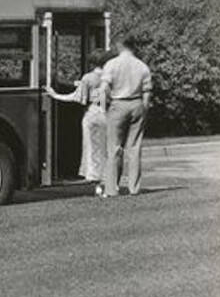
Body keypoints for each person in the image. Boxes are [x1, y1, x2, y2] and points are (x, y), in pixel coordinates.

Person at [48, 49, 111, 192]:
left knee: (91, 147)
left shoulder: (88, 78)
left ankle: (96, 181)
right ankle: (108, 179)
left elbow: (77, 97)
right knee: (104, 148)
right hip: (106, 113)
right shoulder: (109, 77)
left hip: (92, 112)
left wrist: (55, 95)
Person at [100, 35, 152, 198]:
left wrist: (104, 106)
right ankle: (134, 187)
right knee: (135, 147)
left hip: (118, 103)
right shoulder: (142, 66)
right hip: (137, 103)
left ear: (119, 45)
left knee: (114, 148)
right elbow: (147, 92)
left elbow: (104, 89)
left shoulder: (112, 64)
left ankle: (112, 188)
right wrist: (144, 109)